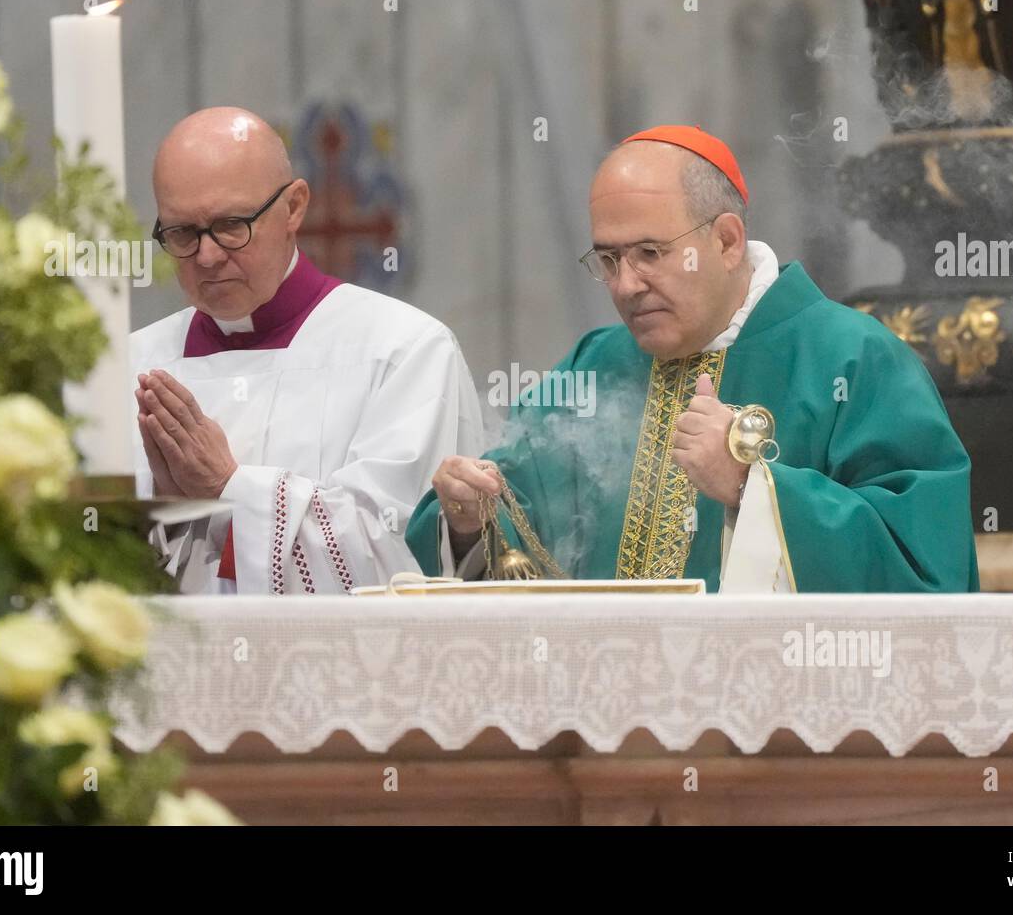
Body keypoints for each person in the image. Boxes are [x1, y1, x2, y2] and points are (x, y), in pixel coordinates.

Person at [406, 125, 979, 592]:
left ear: (727, 241)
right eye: (608, 259)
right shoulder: (594, 368)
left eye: (650, 253)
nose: (626, 285)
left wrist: (751, 488)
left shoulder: (854, 361)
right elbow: (522, 513)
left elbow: (925, 569)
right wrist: (467, 519)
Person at [132, 106, 481, 593]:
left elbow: (406, 564)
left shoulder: (405, 352)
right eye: (182, 234)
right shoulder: (129, 365)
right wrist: (168, 519)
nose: (207, 256)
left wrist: (227, 489)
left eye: (232, 225)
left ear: (294, 207)